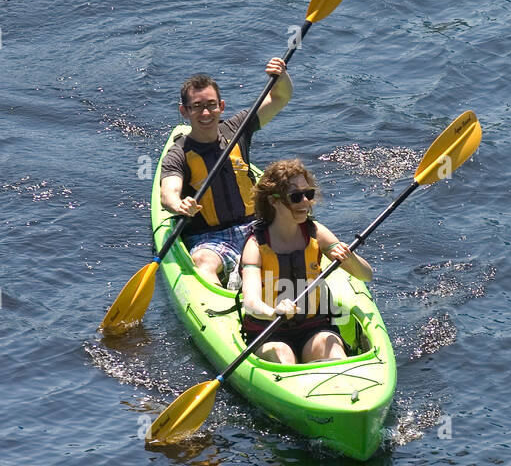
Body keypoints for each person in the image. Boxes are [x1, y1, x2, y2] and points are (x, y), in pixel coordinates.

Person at [159, 58, 292, 285]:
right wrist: (179, 204)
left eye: (211, 105)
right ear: (184, 111)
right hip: (211, 237)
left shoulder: (238, 128)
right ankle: (226, 309)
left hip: (256, 224)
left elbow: (280, 97)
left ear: (221, 106)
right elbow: (168, 192)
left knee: (299, 241)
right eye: (197, 107)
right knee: (203, 262)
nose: (205, 113)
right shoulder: (179, 153)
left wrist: (281, 76)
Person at [239, 159, 372, 365]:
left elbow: (366, 275)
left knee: (334, 353)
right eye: (295, 197)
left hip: (314, 327)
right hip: (268, 332)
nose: (305, 202)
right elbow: (251, 302)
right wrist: (273, 312)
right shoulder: (256, 245)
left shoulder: (316, 232)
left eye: (308, 194)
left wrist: (350, 258)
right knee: (282, 356)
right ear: (273, 201)